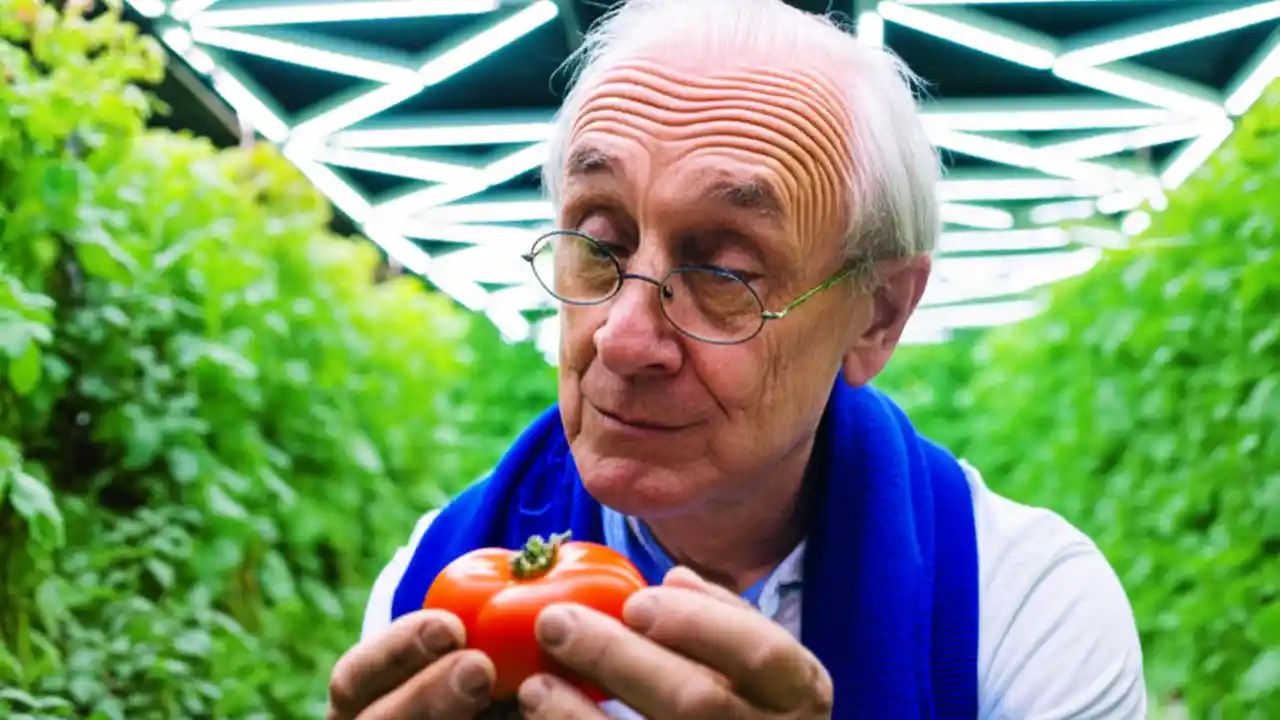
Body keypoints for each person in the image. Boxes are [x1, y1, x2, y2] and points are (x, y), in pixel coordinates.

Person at [327, 0, 1147, 717]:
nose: (622, 339)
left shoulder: (1026, 612)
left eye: (724, 273)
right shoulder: (429, 589)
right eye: (597, 242)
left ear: (879, 316)